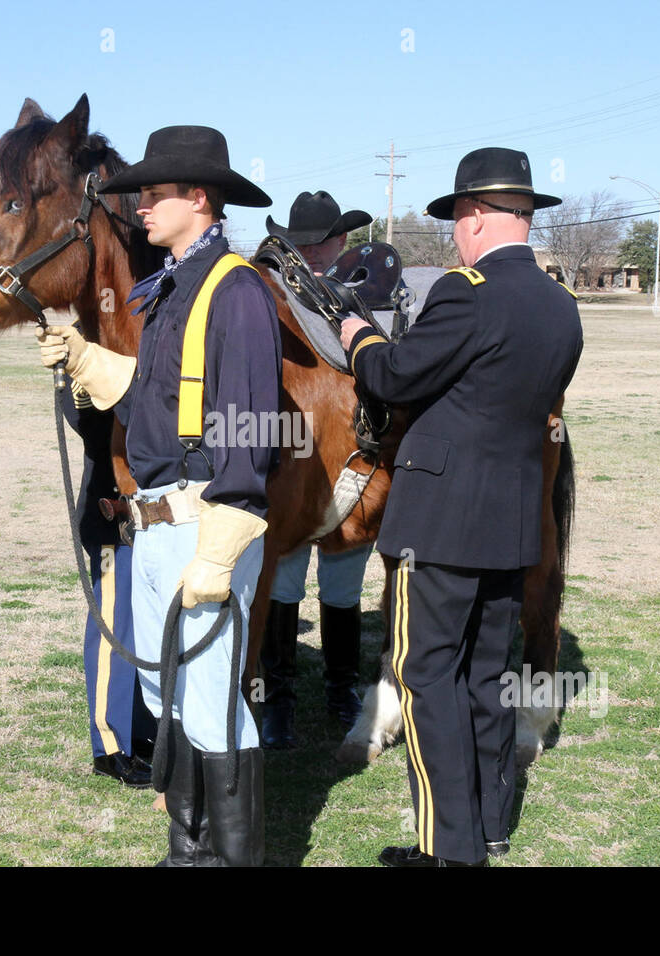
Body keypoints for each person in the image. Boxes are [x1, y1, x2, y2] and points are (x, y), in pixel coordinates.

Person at [38, 125, 280, 866]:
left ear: (197, 198)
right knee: (166, 697)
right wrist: (86, 357)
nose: (139, 206)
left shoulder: (234, 290)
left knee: (211, 704)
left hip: (201, 524)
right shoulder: (175, 286)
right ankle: (189, 853)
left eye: (153, 193)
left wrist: (222, 544)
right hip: (155, 528)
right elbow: (155, 397)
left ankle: (229, 860)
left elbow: (248, 425)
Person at [338, 147, 583, 867]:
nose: (454, 234)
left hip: (440, 523)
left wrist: (359, 336)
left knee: (424, 677)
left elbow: (393, 377)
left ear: (476, 216)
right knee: (484, 676)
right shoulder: (560, 304)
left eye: (457, 218)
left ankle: (449, 850)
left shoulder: (466, 291)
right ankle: (488, 826)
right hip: (510, 518)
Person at [260, 190, 374, 748]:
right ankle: (291, 693)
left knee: (334, 583)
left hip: (347, 468)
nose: (323, 250)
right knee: (293, 580)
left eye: (324, 241)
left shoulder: (354, 298)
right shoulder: (275, 298)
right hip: (303, 466)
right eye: (315, 242)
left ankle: (329, 689)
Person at [57, 371, 158, 788]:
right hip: (113, 518)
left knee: (143, 629)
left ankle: (139, 731)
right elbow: (90, 424)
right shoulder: (86, 351)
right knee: (115, 631)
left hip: (157, 514)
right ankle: (110, 746)